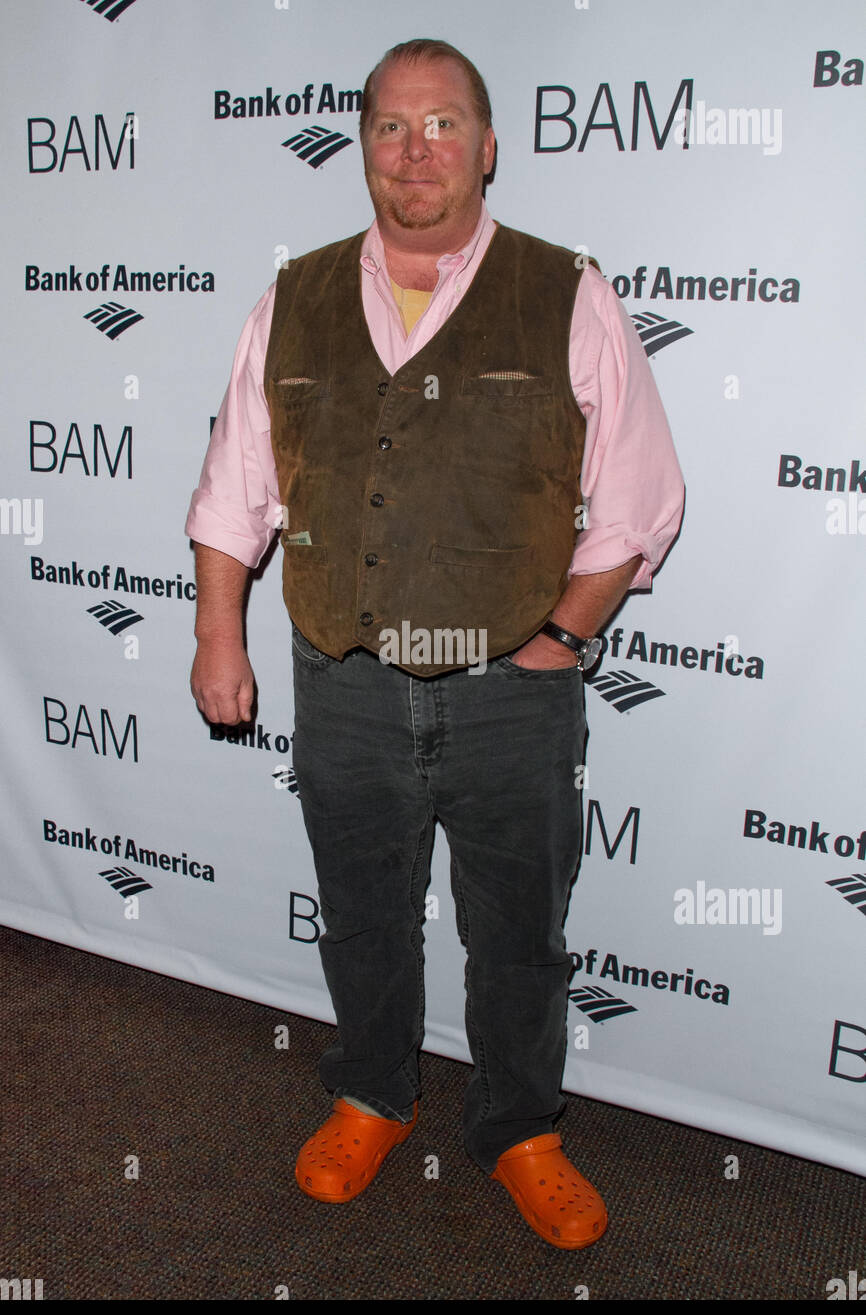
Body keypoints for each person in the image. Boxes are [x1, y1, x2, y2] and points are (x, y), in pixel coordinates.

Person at [185, 38, 684, 1251]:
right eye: (392, 127)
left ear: (487, 146)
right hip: (341, 682)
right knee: (361, 911)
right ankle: (371, 1092)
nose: (416, 150)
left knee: (518, 925)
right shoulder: (290, 295)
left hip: (513, 688)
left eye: (443, 124)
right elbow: (233, 492)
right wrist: (217, 638)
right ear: (361, 147)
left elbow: (637, 498)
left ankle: (519, 1125)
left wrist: (561, 640)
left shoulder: (565, 289)